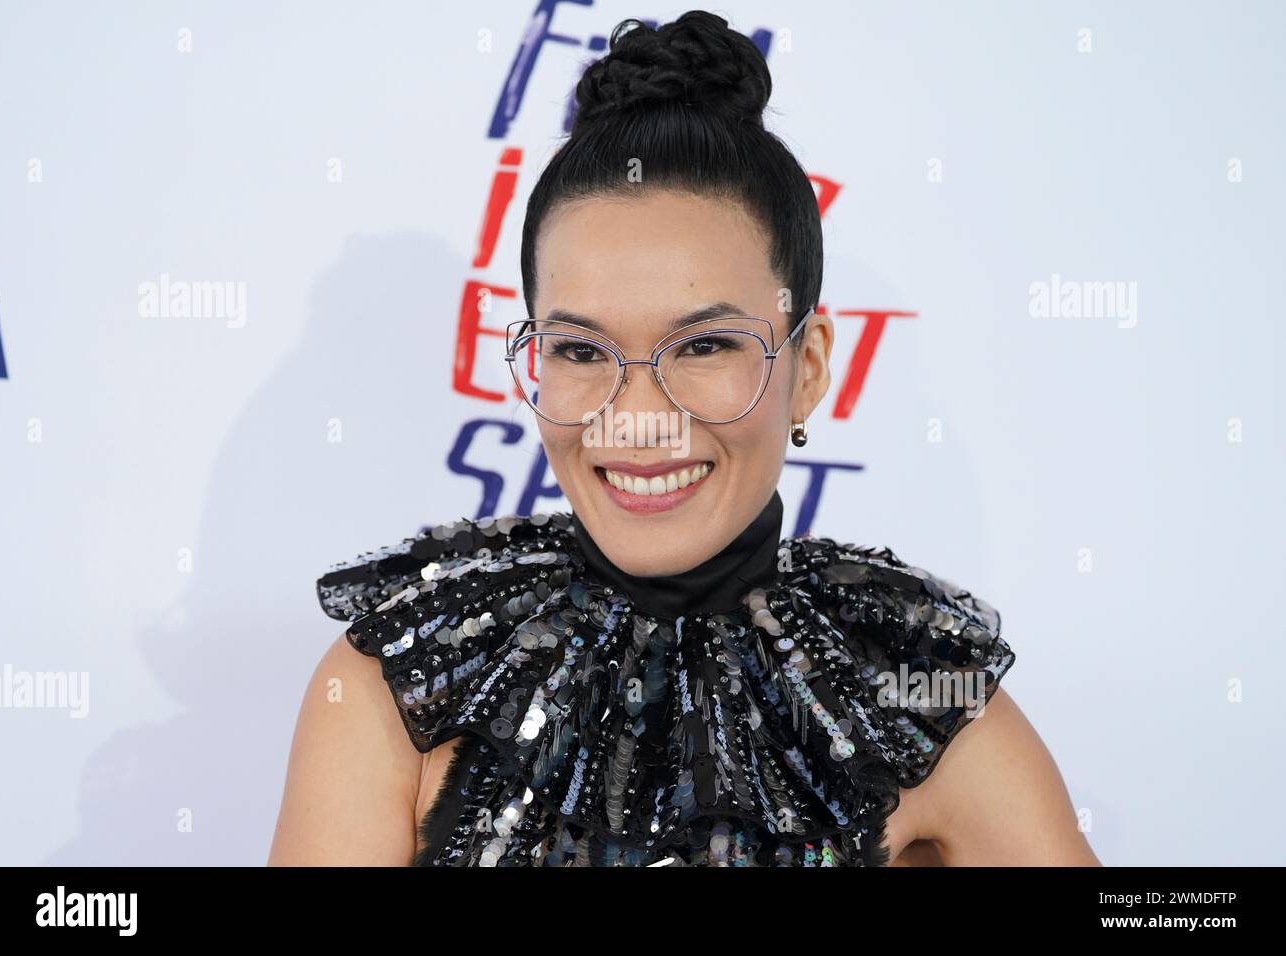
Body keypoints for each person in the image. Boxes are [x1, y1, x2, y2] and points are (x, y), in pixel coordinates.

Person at [269, 10, 1099, 867]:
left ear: (807, 365)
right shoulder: (401, 685)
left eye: (704, 345)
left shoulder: (915, 701)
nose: (635, 417)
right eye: (581, 350)